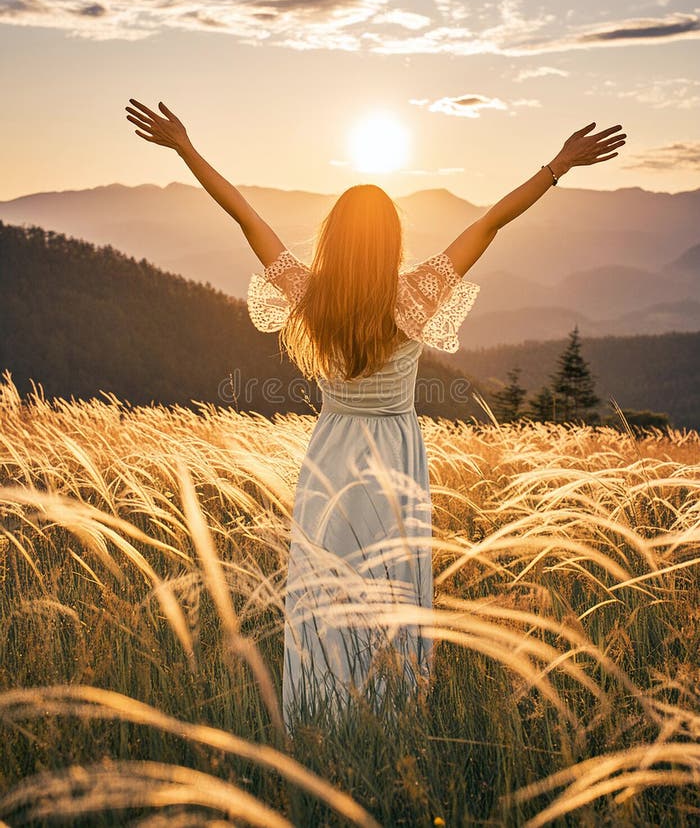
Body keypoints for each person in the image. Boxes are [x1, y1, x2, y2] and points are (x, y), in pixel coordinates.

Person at [125, 99, 626, 732]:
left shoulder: (310, 295)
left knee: (324, 588)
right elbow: (493, 221)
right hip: (395, 455)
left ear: (333, 237)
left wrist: (188, 150)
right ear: (393, 238)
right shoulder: (416, 294)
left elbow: (245, 217)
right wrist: (557, 166)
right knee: (389, 587)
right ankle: (389, 720)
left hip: (330, 456)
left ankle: (319, 716)